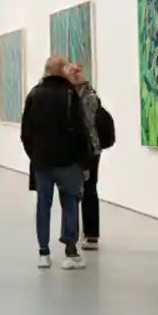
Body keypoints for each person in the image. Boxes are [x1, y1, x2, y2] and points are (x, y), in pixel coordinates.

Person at [21, 56, 90, 270]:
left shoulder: (34, 94)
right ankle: (70, 251)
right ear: (62, 70)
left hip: (42, 162)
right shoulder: (70, 94)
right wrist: (84, 161)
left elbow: (26, 132)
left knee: (43, 204)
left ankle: (44, 252)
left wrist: (34, 155)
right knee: (70, 202)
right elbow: (81, 130)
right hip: (68, 161)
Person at [67, 63, 103, 250]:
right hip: (79, 149)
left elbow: (88, 125)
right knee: (80, 189)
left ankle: (91, 235)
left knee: (88, 189)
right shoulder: (71, 94)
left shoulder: (88, 96)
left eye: (77, 73)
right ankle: (84, 233)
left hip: (89, 150)